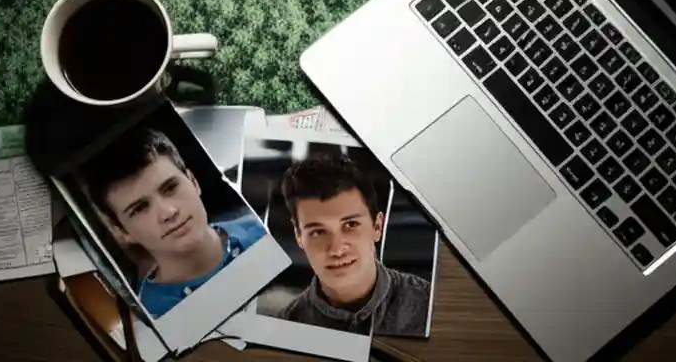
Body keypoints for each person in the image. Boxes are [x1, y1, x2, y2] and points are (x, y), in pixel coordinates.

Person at [80, 126, 265, 318]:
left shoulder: (264, 231)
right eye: (140, 208)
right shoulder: (152, 319)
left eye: (170, 188)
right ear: (122, 231)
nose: (168, 212)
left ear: (193, 182)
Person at [278, 153, 431, 336]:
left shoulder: (430, 306)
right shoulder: (283, 328)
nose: (336, 249)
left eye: (350, 225)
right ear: (298, 236)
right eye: (318, 232)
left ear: (377, 226)